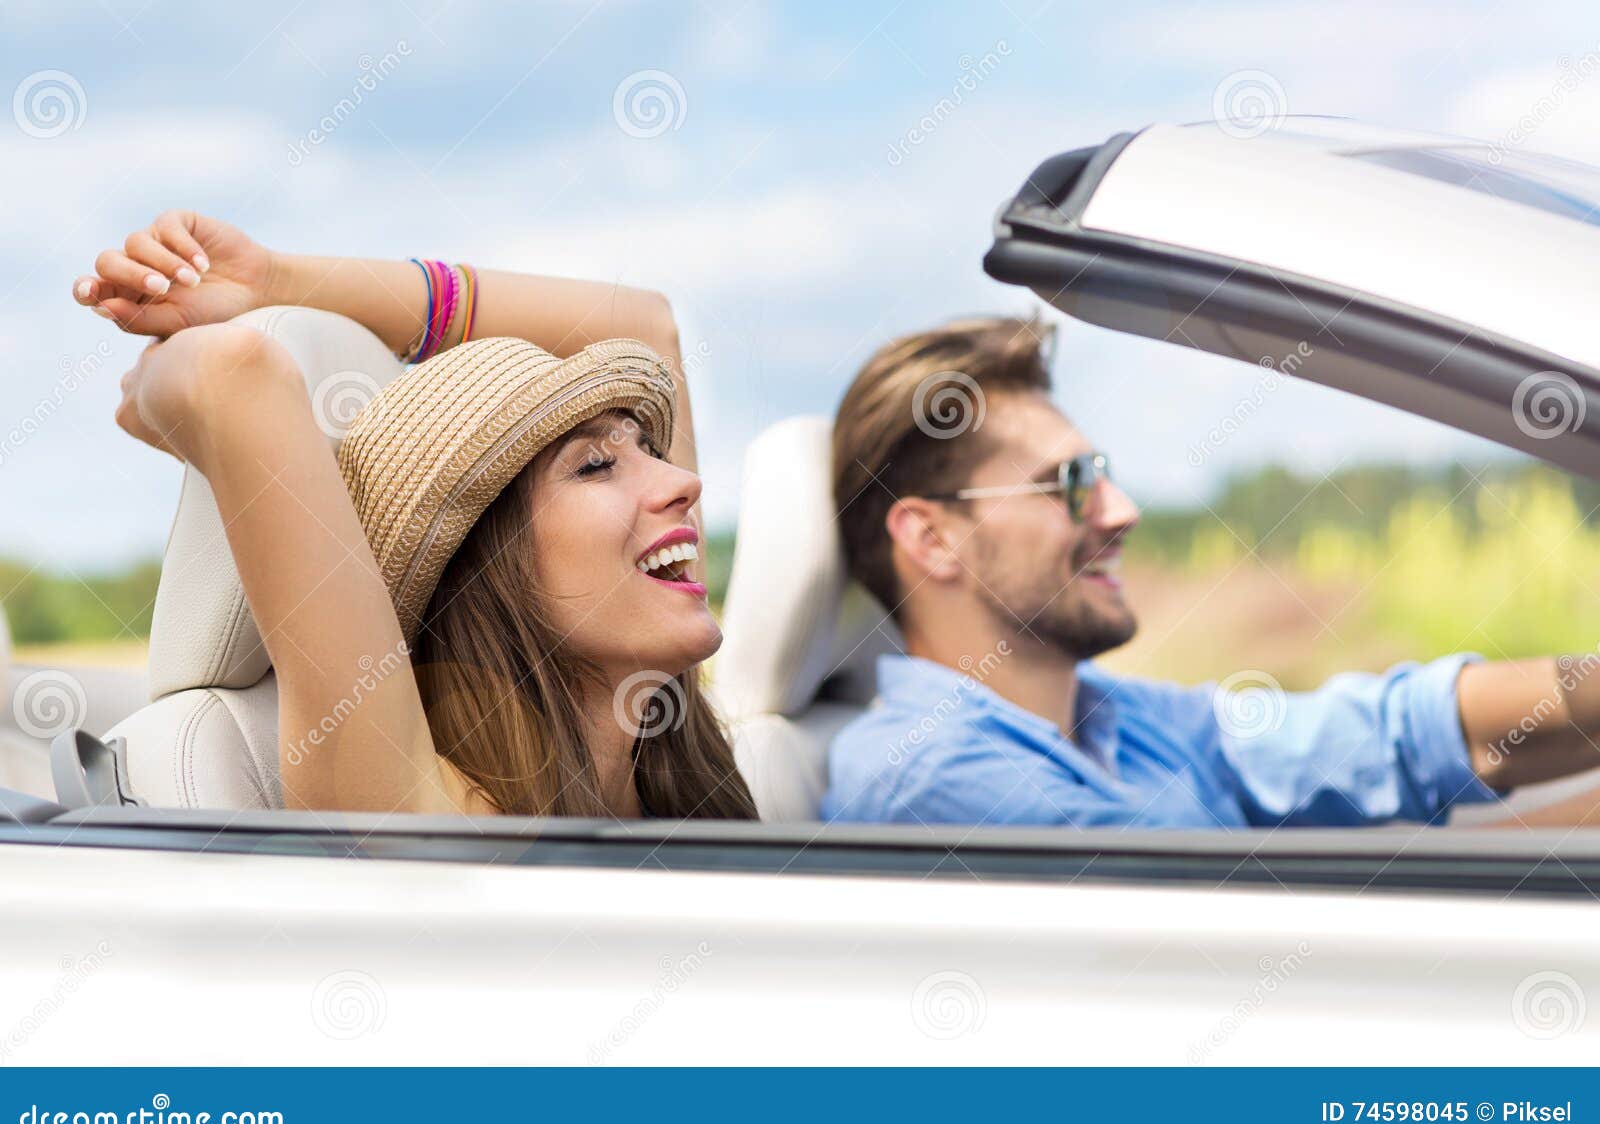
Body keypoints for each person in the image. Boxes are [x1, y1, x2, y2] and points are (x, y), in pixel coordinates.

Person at [77, 210, 756, 821]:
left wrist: (275, 276)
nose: (684, 482)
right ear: (480, 562)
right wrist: (159, 394)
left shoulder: (678, 775)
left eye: (650, 448)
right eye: (595, 465)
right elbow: (232, 370)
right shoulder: (434, 817)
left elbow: (646, 324)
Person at [824, 316, 1600, 829]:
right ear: (930, 538)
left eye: (1103, 474)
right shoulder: (928, 778)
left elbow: (1390, 735)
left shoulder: (1117, 721)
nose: (1120, 510)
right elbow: (1236, 930)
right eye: (1069, 484)